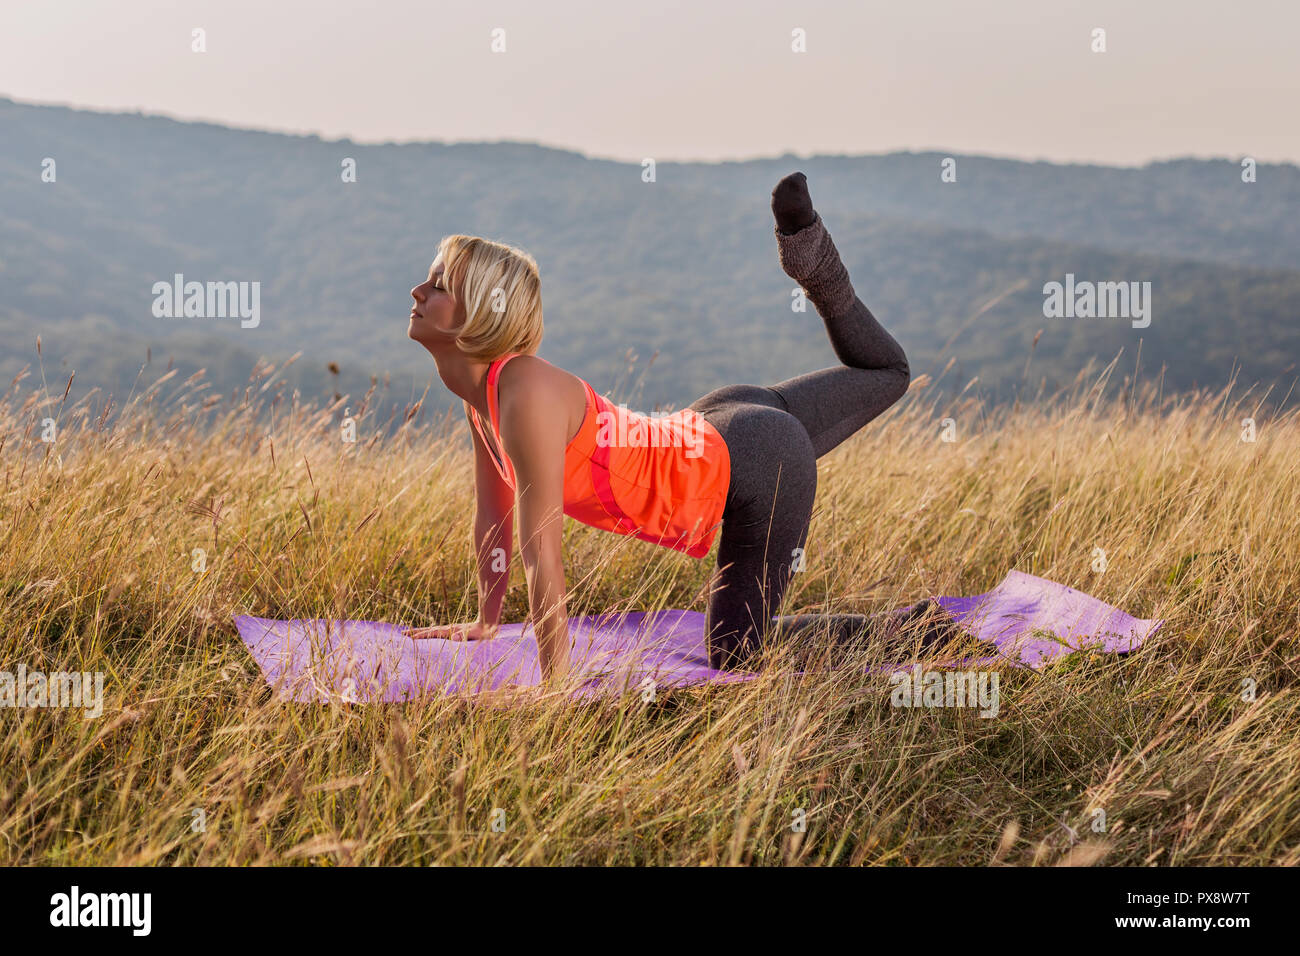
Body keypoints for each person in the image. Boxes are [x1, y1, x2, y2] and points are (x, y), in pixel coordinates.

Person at [400, 173, 910, 682]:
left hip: (756, 461)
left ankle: (916, 631)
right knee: (887, 373)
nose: (418, 290)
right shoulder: (485, 397)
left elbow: (541, 552)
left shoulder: (523, 391)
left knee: (738, 651)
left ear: (480, 315)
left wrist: (555, 689)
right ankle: (814, 260)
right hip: (720, 423)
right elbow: (494, 514)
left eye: (440, 285)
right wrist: (486, 622)